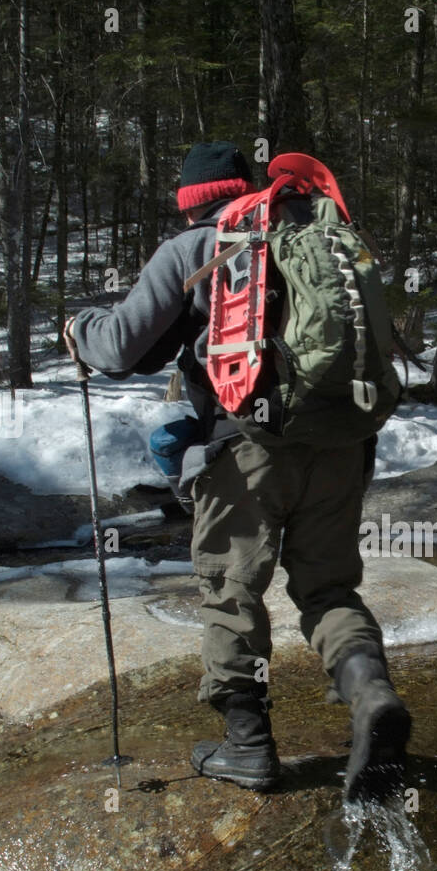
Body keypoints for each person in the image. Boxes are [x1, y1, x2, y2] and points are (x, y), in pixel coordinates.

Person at [65, 140, 411, 801]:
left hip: (245, 449)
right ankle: (372, 698)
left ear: (189, 200)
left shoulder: (198, 247)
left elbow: (118, 348)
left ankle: (248, 745)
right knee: (328, 589)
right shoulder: (312, 234)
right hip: (340, 442)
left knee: (233, 590)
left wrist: (79, 327)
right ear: (246, 185)